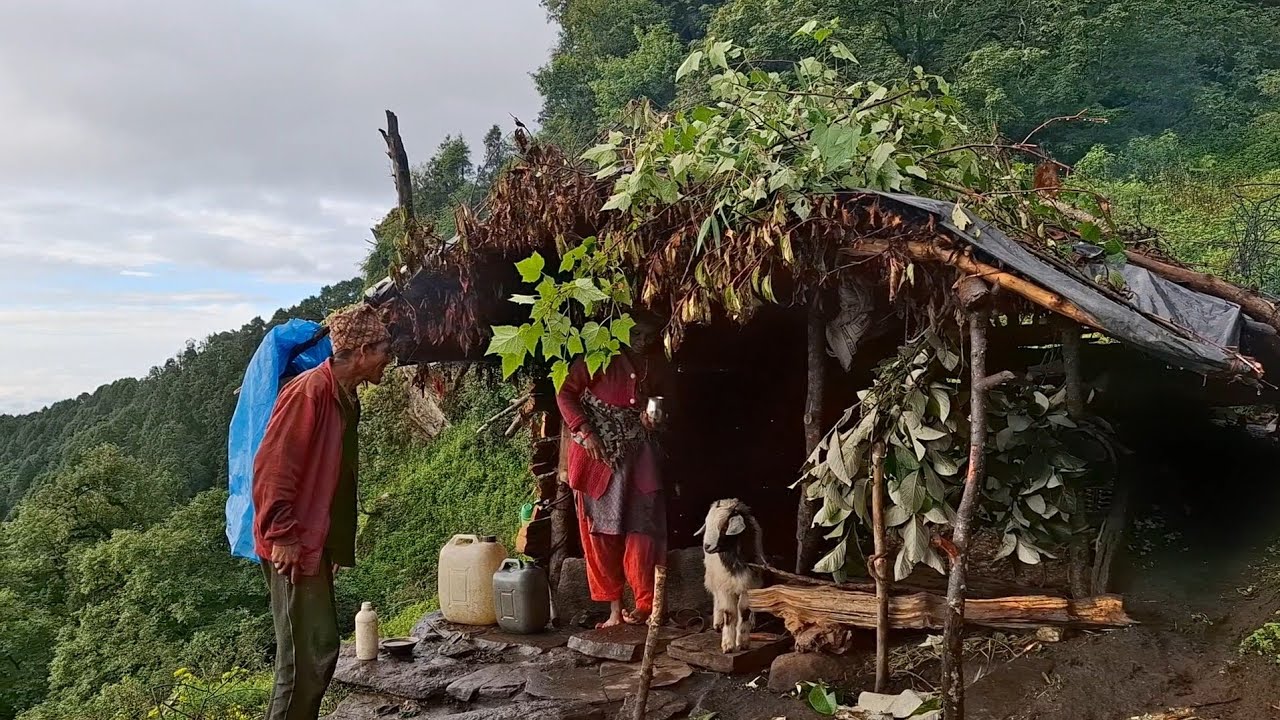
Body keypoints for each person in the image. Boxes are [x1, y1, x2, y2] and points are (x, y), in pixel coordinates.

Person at [252, 303, 392, 720]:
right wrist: (283, 536)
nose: (389, 358)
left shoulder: (344, 395)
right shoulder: (309, 391)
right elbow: (272, 468)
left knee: (318, 648)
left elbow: (334, 474)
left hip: (312, 540)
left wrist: (329, 545)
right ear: (363, 351)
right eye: (385, 350)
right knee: (304, 658)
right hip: (291, 540)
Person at [556, 318, 671, 628]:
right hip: (599, 460)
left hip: (639, 457)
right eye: (636, 333)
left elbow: (662, 407)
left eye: (649, 334)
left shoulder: (655, 365)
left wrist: (652, 420)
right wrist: (584, 431)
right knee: (601, 534)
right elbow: (564, 393)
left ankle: (646, 606)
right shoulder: (598, 356)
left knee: (644, 529)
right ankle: (614, 612)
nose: (643, 340)